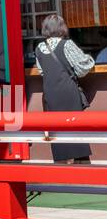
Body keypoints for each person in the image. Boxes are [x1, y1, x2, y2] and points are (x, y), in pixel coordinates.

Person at [35, 13, 94, 163]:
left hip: (50, 93)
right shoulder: (66, 44)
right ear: (61, 27)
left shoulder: (39, 48)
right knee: (75, 128)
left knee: (58, 130)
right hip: (68, 91)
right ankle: (83, 165)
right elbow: (83, 68)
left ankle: (60, 167)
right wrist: (91, 59)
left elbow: (42, 71)